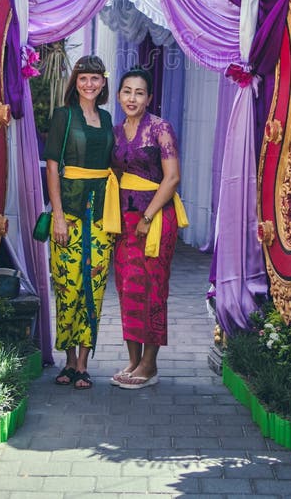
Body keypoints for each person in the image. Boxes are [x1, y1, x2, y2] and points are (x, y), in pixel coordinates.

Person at [44, 55, 118, 390]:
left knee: (94, 289)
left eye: (95, 79)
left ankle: (85, 364)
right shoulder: (64, 116)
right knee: (67, 286)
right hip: (69, 217)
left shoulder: (106, 118)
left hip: (101, 216)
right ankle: (69, 360)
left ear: (103, 83)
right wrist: (57, 215)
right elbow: (52, 167)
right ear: (76, 82)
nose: (89, 84)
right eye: (83, 78)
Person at [111, 67, 186, 389]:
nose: (132, 98)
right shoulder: (115, 132)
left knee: (154, 288)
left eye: (139, 92)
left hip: (155, 219)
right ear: (118, 95)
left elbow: (172, 177)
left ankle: (150, 364)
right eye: (127, 91)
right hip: (123, 221)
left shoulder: (160, 129)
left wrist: (148, 216)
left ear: (149, 98)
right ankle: (132, 360)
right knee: (128, 288)